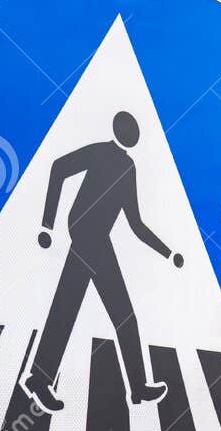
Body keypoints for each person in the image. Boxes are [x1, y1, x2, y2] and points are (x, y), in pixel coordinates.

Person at [21, 110, 183, 413]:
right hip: (85, 236)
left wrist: (167, 252)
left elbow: (135, 224)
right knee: (82, 310)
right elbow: (58, 168)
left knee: (82, 309)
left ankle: (134, 388)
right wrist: (47, 224)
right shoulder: (99, 152)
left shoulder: (128, 167)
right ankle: (42, 379)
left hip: (97, 241)